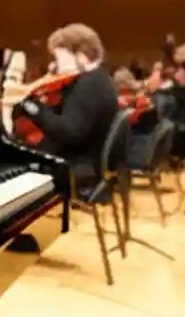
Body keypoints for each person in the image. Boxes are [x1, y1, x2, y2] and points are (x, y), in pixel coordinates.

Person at [14, 23, 119, 191]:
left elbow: (68, 133)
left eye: (58, 58)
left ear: (81, 55)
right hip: (86, 162)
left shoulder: (90, 85)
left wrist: (30, 106)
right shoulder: (99, 78)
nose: (55, 65)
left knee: (9, 171)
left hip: (76, 170)